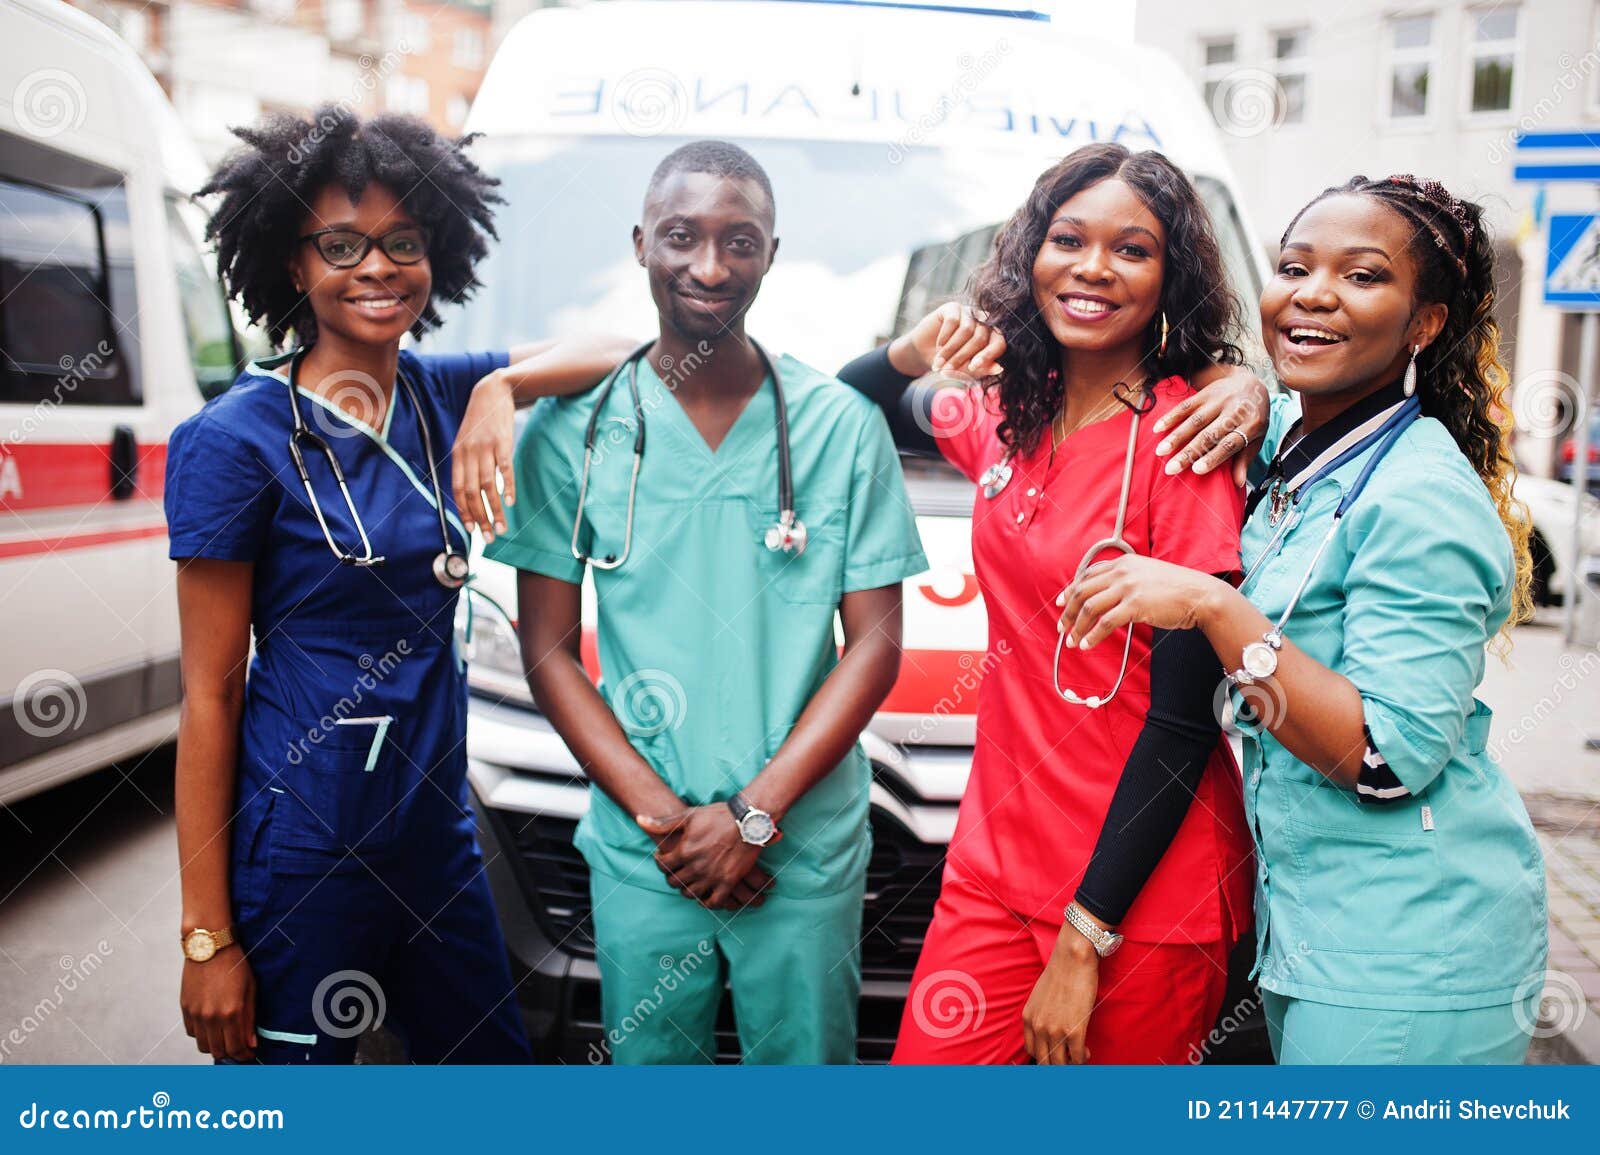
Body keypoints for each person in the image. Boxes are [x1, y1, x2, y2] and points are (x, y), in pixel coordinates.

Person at [168, 105, 627, 1063]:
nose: (376, 267)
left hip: (436, 840)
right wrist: (207, 937)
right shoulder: (234, 442)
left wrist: (508, 388)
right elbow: (209, 697)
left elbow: (626, 348)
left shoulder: (439, 389)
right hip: (304, 851)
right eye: (341, 243)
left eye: (402, 242)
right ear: (293, 264)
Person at [1057, 174, 1549, 1063]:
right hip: (1312, 936)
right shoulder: (1297, 438)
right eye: (1294, 267)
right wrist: (1245, 385)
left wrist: (1213, 604)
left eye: (1363, 277)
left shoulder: (1421, 500)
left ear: (1425, 322)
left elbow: (1386, 760)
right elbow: (1233, 382)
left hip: (1410, 959)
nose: (1315, 292)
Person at [483, 141, 928, 1064]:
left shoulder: (838, 426)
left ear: (772, 253)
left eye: (741, 241)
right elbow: (547, 651)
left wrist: (754, 815)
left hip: (797, 848)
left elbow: (875, 647)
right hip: (649, 848)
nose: (710, 266)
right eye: (683, 237)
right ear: (643, 242)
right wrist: (668, 822)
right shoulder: (574, 430)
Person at [833, 142, 1268, 1064]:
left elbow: (1186, 724)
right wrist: (916, 347)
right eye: (1069, 237)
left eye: (1133, 249)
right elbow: (845, 407)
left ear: (1170, 279)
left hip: (1142, 897)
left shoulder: (1186, 439)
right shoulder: (1001, 415)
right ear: (1032, 252)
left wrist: (1087, 937)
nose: (1093, 268)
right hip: (994, 867)